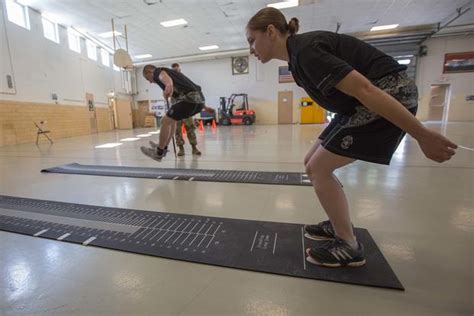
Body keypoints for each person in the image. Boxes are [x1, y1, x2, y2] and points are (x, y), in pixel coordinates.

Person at [246, 7, 457, 268]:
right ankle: (339, 224)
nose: (251, 49)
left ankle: (349, 245)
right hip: (358, 105)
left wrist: (421, 134)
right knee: (311, 161)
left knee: (318, 169)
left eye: (251, 41)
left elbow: (365, 89)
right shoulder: (297, 60)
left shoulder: (307, 51)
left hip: (390, 93)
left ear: (270, 32)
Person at [141, 64, 214, 161]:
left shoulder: (157, 72)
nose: (150, 82)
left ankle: (159, 152)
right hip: (199, 101)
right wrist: (204, 107)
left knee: (165, 122)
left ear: (149, 72)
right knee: (172, 121)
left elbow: (164, 77)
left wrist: (168, 84)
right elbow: (187, 89)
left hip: (189, 100)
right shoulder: (174, 77)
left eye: (147, 79)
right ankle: (164, 147)